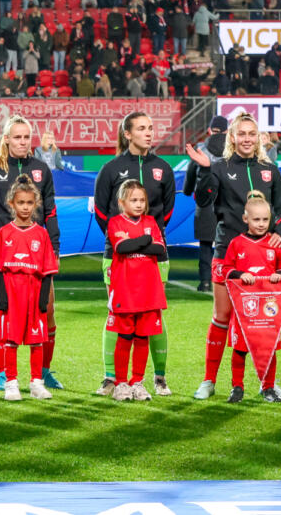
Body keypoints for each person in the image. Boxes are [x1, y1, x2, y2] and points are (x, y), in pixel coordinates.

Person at [188, 113, 281, 401]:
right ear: (232, 137)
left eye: (251, 133)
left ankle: (267, 383)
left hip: (264, 260)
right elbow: (204, 200)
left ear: (258, 138)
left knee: (263, 322)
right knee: (222, 318)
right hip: (227, 255)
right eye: (241, 133)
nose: (247, 139)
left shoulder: (270, 170)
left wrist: (279, 232)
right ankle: (209, 381)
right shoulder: (219, 167)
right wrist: (206, 170)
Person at [92, 112, 176, 397]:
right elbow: (103, 213)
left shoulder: (163, 168)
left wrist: (139, 240)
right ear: (127, 134)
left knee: (153, 318)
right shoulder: (111, 169)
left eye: (151, 128)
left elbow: (166, 211)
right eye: (142, 128)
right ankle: (111, 379)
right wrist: (122, 236)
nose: (149, 133)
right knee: (117, 316)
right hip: (116, 257)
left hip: (154, 258)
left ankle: (158, 378)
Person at [0, 116, 61, 393]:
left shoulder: (41, 169)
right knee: (0, 312)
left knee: (46, 312)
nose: (23, 142)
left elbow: (50, 211)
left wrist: (55, 247)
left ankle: (43, 373)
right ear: (7, 139)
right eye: (18, 137)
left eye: (27, 137)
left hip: (38, 251)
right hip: (2, 251)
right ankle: (2, 374)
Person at [0, 175, 58, 402]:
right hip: (12, 294)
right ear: (12, 204)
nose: (25, 207)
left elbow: (48, 270)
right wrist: (3, 298)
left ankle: (36, 382)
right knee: (11, 340)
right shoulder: (4, 233)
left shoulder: (41, 233)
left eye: (29, 203)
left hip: (34, 293)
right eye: (21, 203)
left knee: (37, 339)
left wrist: (42, 299)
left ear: (35, 204)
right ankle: (11, 383)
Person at [222, 192, 281, 403]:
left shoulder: (274, 243)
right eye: (256, 219)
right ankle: (237, 387)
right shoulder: (237, 243)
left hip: (268, 308)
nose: (261, 224)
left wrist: (279, 275)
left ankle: (268, 388)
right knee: (240, 349)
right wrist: (241, 274)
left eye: (265, 220)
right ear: (246, 219)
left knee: (268, 349)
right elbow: (226, 269)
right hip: (245, 307)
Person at [105, 180, 169, 402]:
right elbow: (121, 248)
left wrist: (134, 242)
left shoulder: (151, 221)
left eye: (142, 200)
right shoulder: (114, 222)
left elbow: (160, 250)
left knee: (143, 337)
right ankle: (121, 383)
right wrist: (144, 240)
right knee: (124, 337)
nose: (139, 204)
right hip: (125, 290)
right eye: (134, 200)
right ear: (122, 202)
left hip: (149, 291)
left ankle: (137, 382)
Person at [183, 116, 228, 292]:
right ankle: (226, 280)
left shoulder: (200, 149)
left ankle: (205, 282)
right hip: (228, 202)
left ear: (210, 130)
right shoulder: (234, 149)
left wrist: (188, 191)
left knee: (205, 244)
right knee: (229, 243)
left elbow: (190, 175)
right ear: (226, 131)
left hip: (205, 204)